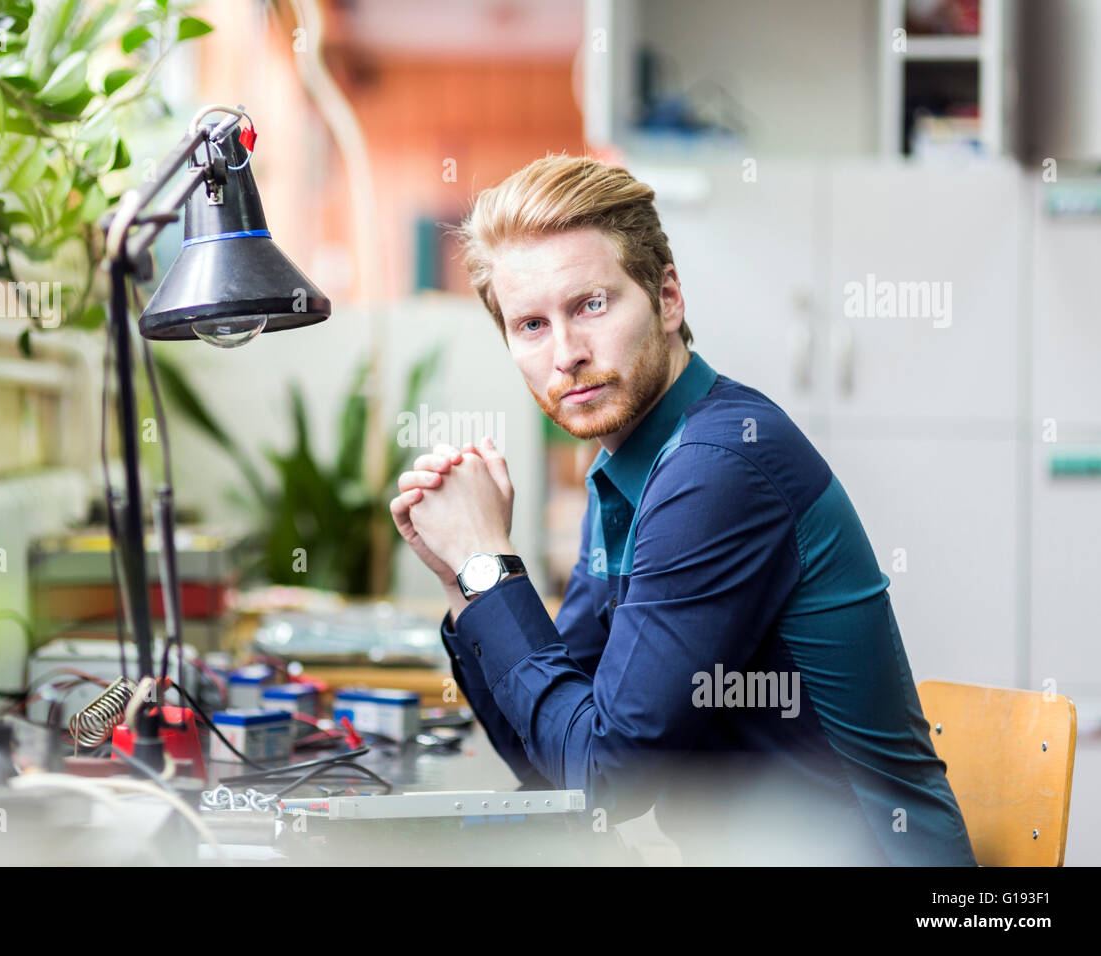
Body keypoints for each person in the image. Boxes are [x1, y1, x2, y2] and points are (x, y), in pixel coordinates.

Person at [389, 154, 976, 866]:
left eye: (591, 305)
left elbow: (607, 782)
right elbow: (554, 763)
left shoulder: (717, 469)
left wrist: (490, 562)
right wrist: (463, 579)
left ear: (668, 298)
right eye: (532, 325)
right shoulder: (625, 470)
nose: (567, 354)